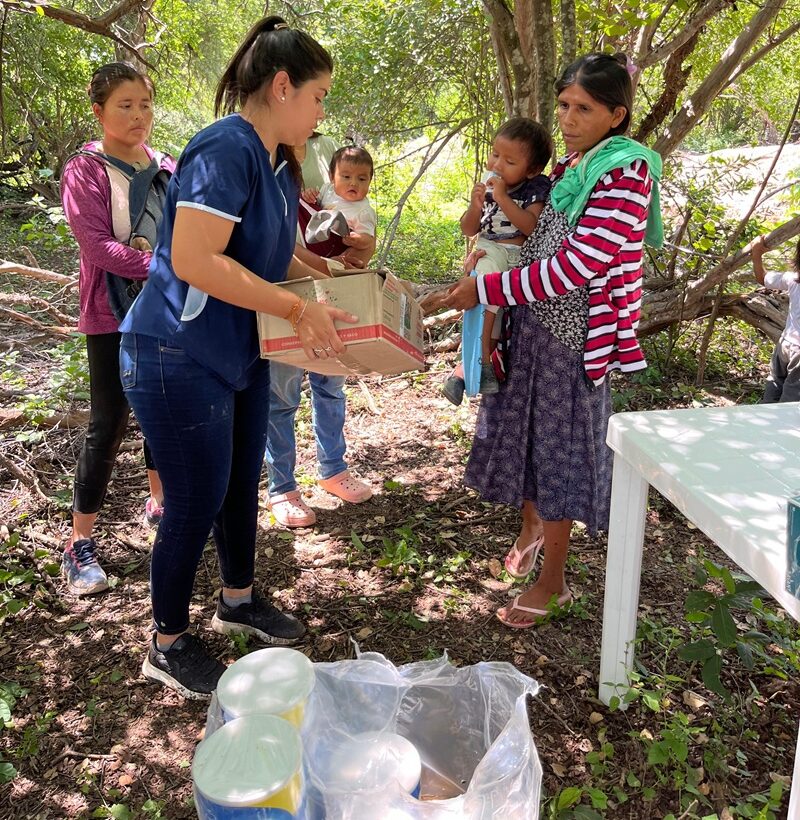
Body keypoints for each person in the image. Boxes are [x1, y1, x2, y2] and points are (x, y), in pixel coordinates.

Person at [119, 16, 357, 698]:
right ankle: (167, 643)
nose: (320, 113)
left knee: (238, 483)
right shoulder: (225, 147)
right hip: (175, 351)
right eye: (317, 97)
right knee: (194, 498)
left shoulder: (277, 159)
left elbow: (271, 250)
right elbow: (197, 259)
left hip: (237, 349)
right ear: (282, 87)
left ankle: (238, 599)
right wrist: (296, 309)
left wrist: (332, 278)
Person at [445, 52, 663, 628]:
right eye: (564, 105)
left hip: (573, 340)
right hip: (535, 326)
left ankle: (555, 582)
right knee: (531, 441)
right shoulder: (573, 166)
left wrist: (488, 287)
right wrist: (488, 272)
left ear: (616, 115)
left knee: (560, 453)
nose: (567, 118)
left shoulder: (625, 173)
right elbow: (535, 240)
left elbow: (577, 267)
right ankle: (533, 530)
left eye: (583, 108)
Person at [60, 62, 175, 596]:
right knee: (108, 422)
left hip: (167, 309)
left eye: (144, 105)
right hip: (111, 312)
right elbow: (97, 247)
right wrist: (171, 267)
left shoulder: (167, 165)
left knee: (162, 413)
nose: (138, 116)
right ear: (99, 111)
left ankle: (161, 505)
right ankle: (78, 543)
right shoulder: (85, 170)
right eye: (125, 106)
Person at [266, 143, 374, 528]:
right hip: (285, 294)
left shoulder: (326, 151)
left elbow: (360, 243)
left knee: (331, 386)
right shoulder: (263, 151)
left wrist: (358, 253)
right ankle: (282, 486)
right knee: (282, 395)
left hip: (332, 294)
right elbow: (276, 242)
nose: (318, 113)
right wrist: (330, 267)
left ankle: (333, 468)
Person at [442, 118, 553, 405]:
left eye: (510, 161)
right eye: (495, 154)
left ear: (532, 169)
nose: (498, 165)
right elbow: (469, 229)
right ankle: (478, 361)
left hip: (518, 258)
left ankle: (471, 367)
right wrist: (475, 206)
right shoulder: (489, 187)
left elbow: (530, 226)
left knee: (496, 311)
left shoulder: (535, 187)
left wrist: (502, 197)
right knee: (486, 291)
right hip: (490, 250)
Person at [751, 236, 800, 402]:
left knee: (775, 385)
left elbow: (762, 278)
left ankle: (766, 414)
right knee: (790, 403)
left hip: (785, 345)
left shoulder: (793, 279)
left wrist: (756, 253)